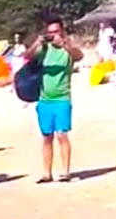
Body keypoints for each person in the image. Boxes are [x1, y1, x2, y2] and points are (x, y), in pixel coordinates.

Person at [26, 17, 83, 183]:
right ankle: (47, 173)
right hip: (44, 100)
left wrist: (64, 44)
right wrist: (38, 42)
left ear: (62, 32)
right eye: (50, 33)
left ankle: (66, 171)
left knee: (62, 135)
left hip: (62, 98)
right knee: (46, 136)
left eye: (56, 32)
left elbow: (79, 56)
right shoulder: (45, 48)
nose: (53, 35)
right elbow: (28, 57)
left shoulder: (67, 49)